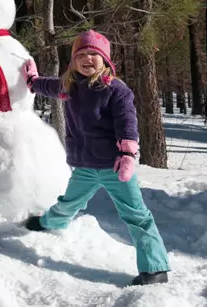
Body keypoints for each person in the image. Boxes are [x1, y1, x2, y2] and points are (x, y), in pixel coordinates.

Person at [21, 30, 170, 286]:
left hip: (115, 166)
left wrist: (127, 153)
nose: (87, 59)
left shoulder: (115, 90)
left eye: (93, 54)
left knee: (136, 215)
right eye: (81, 54)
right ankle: (47, 223)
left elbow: (127, 122)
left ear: (105, 60)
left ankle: (155, 269)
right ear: (73, 60)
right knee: (69, 203)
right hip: (86, 166)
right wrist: (33, 81)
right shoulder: (70, 85)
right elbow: (50, 86)